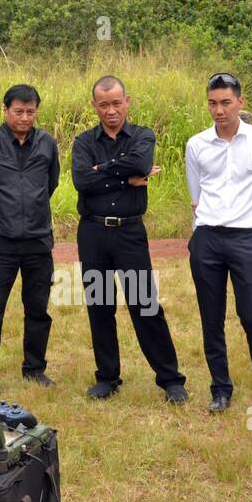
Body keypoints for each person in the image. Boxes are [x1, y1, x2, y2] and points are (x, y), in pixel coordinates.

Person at [72, 75, 187, 403]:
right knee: (100, 304)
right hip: (93, 232)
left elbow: (139, 162)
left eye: (116, 103)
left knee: (144, 305)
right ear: (95, 105)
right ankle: (108, 377)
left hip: (129, 232)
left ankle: (170, 379)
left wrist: (102, 170)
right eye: (104, 104)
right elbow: (82, 180)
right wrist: (125, 180)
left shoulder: (142, 135)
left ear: (127, 102)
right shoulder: (83, 142)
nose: (111, 110)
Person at [184, 72, 252, 413]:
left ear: (241, 102)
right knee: (212, 316)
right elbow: (196, 194)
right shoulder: (196, 144)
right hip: (207, 235)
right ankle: (220, 389)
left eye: (225, 102)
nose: (219, 110)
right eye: (212, 103)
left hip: (243, 238)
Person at [0, 84, 59, 390]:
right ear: (5, 110)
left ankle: (34, 367)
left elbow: (51, 184)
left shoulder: (47, 143)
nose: (24, 117)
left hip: (37, 242)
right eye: (18, 111)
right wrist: (2, 216)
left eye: (30, 112)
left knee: (38, 309)